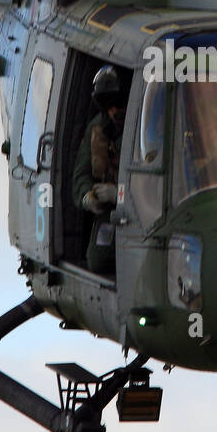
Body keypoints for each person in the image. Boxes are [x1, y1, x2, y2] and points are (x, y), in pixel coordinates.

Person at [73, 64, 125, 276]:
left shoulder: (153, 126)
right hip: (112, 214)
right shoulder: (99, 128)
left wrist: (121, 194)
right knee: (99, 261)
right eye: (107, 105)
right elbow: (81, 174)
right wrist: (88, 197)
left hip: (147, 213)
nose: (113, 110)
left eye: (117, 103)